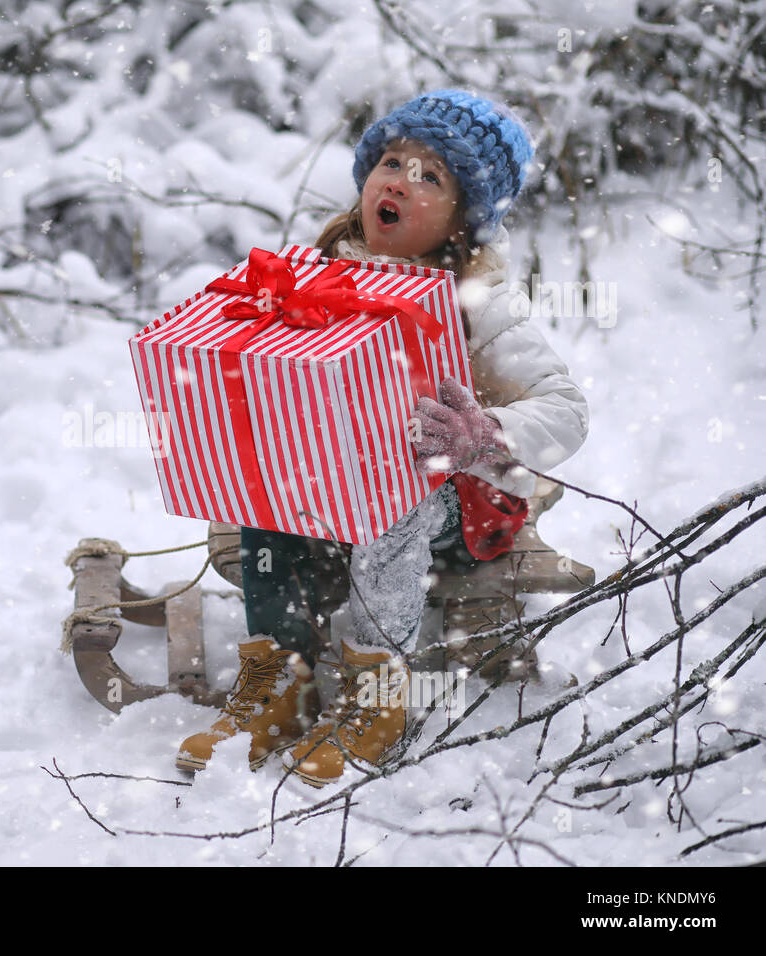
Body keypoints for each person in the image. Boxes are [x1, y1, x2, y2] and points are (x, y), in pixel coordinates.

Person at [175, 90, 590, 787]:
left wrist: (484, 433)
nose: (400, 180)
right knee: (261, 491)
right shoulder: (321, 268)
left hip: (455, 495)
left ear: (463, 219)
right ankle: (281, 676)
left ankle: (378, 690)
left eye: (432, 178)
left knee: (390, 496)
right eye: (392, 161)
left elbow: (566, 409)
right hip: (330, 485)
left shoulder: (477, 298)